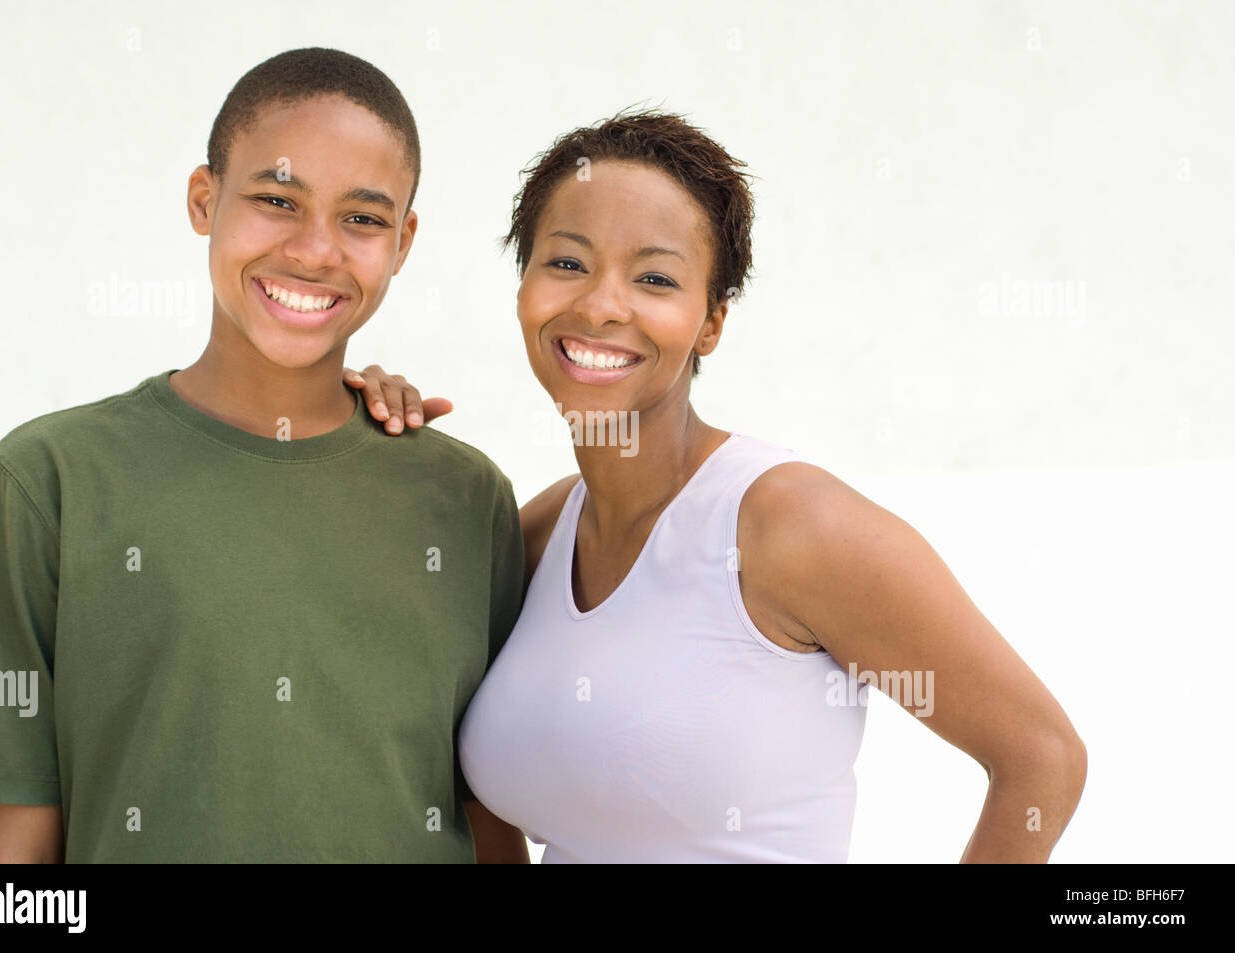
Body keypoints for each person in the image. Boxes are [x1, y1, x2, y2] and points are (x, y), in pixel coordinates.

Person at [347, 109, 1088, 862]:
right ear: (523, 288)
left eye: (655, 278)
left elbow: (1041, 758)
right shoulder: (534, 537)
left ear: (710, 323)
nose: (602, 303)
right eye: (567, 262)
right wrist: (357, 434)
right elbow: (470, 791)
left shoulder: (789, 525)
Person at [0, 47, 528, 863]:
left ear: (403, 240)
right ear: (203, 199)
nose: (316, 250)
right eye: (277, 199)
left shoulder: (466, 499)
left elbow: (489, 815)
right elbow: (11, 873)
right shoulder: (46, 482)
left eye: (361, 217)